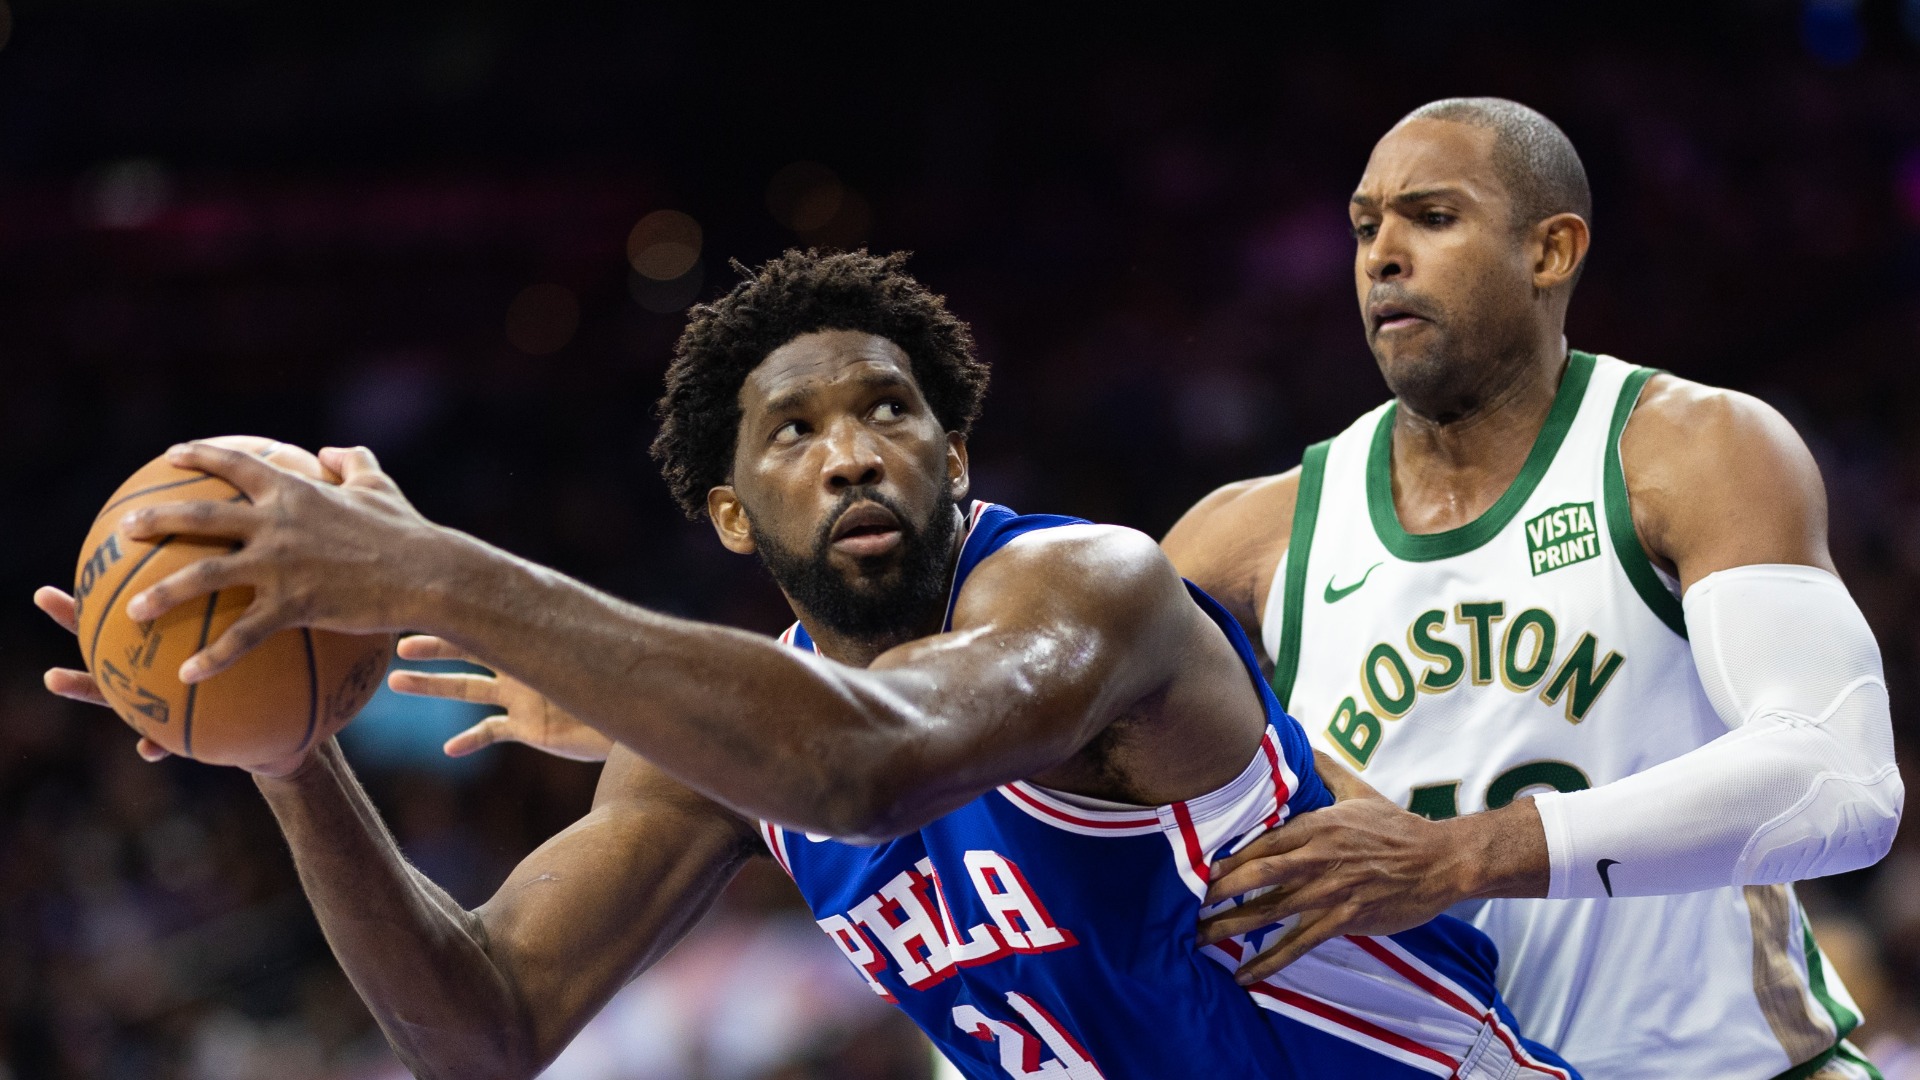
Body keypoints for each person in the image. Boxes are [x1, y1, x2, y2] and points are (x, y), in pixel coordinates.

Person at [39, 250, 1575, 1079]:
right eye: (793, 432)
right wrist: (291, 767)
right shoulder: (719, 748)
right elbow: (485, 1026)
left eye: (891, 412)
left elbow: (867, 763)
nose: (852, 452)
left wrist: (438, 571)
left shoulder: (1090, 589)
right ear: (729, 512)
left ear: (955, 453)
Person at [1160, 98, 1904, 1080]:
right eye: (1364, 225)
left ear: (1551, 251)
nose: (1382, 254)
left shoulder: (1692, 451)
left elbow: (1845, 781)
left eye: (1430, 217)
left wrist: (1458, 855)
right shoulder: (1244, 537)